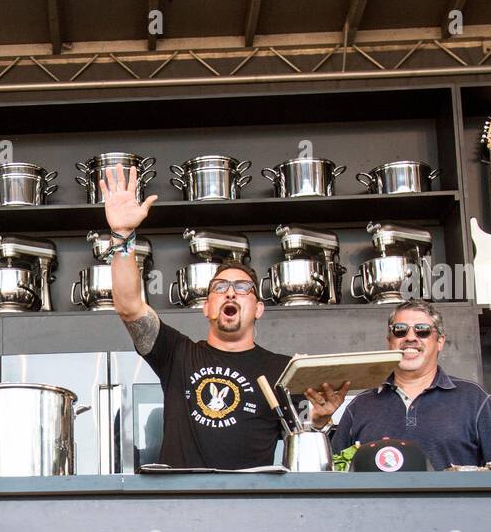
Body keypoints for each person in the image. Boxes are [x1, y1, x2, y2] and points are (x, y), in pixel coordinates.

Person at [102, 165, 341, 469]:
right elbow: (129, 306)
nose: (231, 293)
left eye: (243, 288)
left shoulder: (283, 370)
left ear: (258, 308)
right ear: (206, 307)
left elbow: (301, 447)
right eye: (220, 287)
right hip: (180, 503)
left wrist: (318, 421)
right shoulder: (178, 354)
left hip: (251, 506)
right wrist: (122, 236)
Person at [315, 301, 491, 470]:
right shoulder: (360, 405)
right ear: (390, 341)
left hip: (453, 516)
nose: (410, 338)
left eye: (422, 331)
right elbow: (331, 475)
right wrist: (319, 426)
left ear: (439, 342)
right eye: (400, 331)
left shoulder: (474, 399)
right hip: (376, 516)